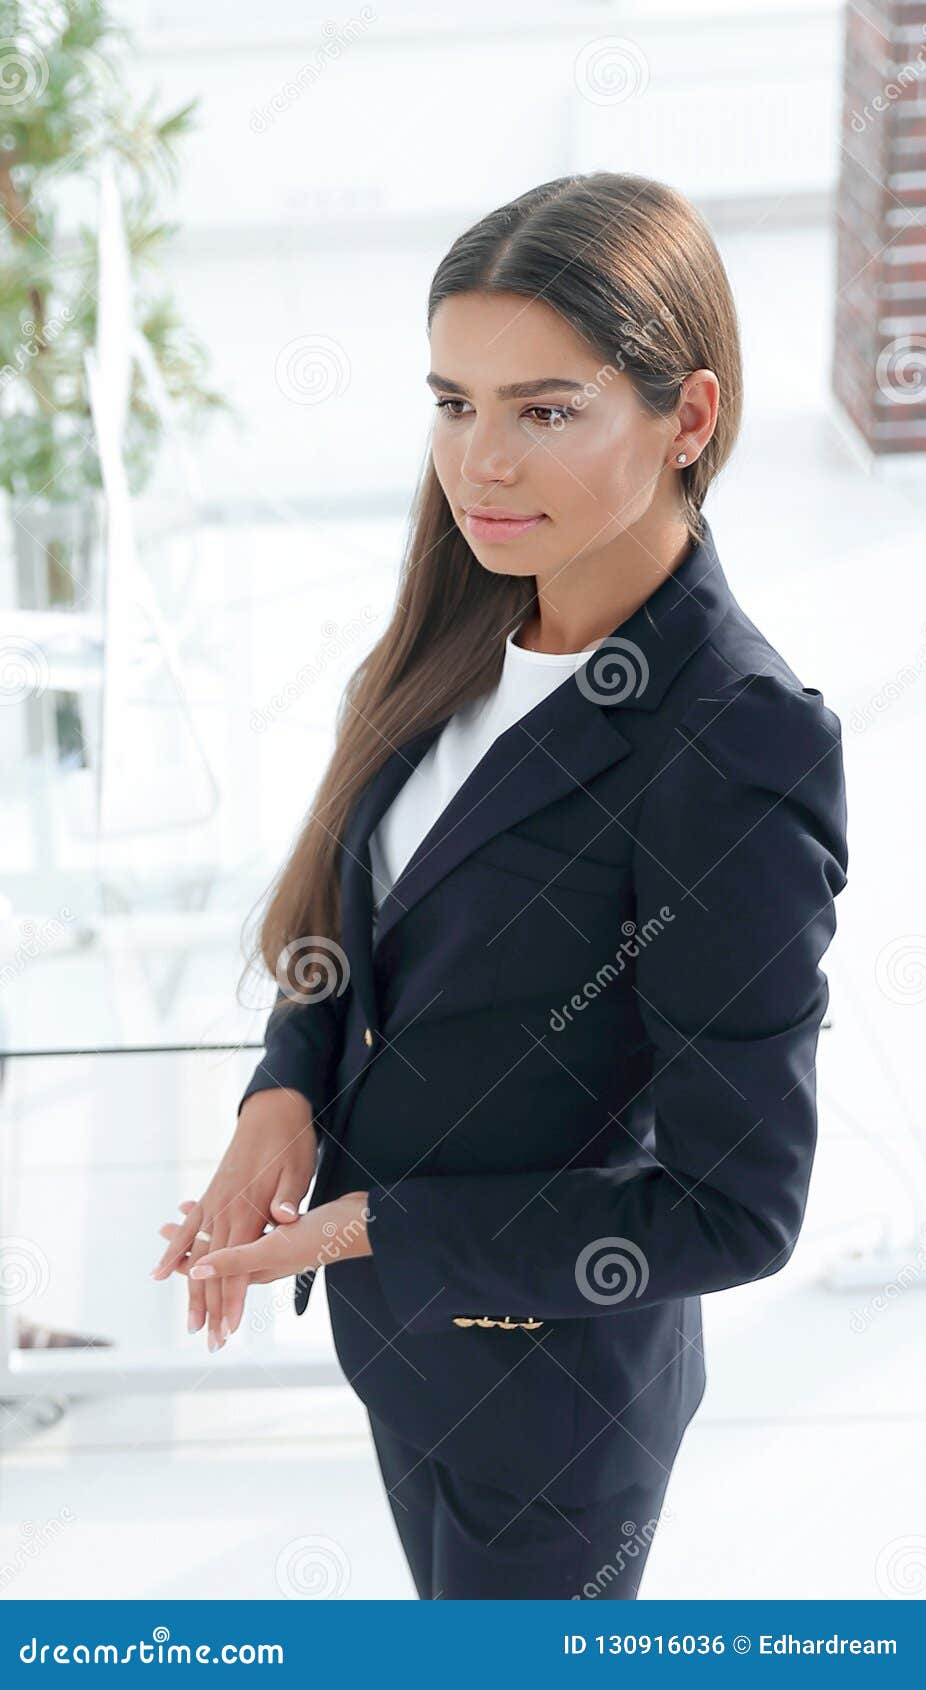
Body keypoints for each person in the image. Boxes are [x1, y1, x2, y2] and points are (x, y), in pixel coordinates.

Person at [151, 171, 850, 1600]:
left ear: (688, 420)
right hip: (410, 1345)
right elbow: (359, 919)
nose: (480, 465)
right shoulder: (456, 626)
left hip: (550, 1414)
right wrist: (283, 1087)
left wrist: (364, 1224)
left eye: (544, 410)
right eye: (452, 403)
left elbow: (737, 1210)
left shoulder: (734, 741)